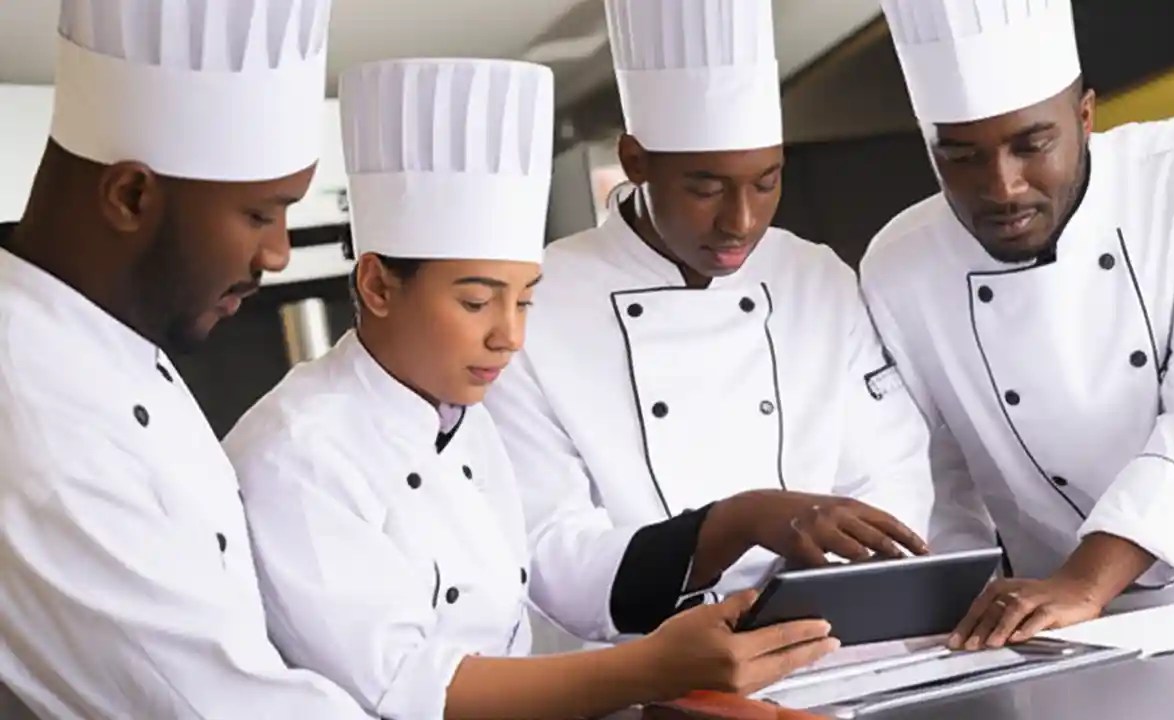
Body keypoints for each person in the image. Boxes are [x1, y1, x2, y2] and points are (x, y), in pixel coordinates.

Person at [222, 57, 839, 720]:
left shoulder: (461, 416)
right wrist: (650, 668)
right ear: (376, 286)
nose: (508, 337)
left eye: (524, 302)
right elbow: (412, 690)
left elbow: (528, 610)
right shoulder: (298, 451)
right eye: (477, 302)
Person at [483, 0, 935, 644]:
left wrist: (812, 591)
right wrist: (734, 525)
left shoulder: (815, 277)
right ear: (636, 161)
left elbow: (890, 471)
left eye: (766, 181)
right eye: (705, 187)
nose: (741, 221)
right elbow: (550, 552)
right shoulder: (540, 305)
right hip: (648, 669)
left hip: (832, 642)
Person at [0, 1, 384, 718]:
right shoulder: (39, 424)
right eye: (261, 214)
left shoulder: (105, 335)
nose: (277, 254)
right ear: (131, 194)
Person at [861, 0, 1174, 652]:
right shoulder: (899, 263)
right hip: (1058, 624)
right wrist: (954, 620)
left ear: (1085, 117)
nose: (1002, 187)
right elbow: (934, 482)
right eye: (961, 157)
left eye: (1032, 145)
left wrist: (1087, 579)